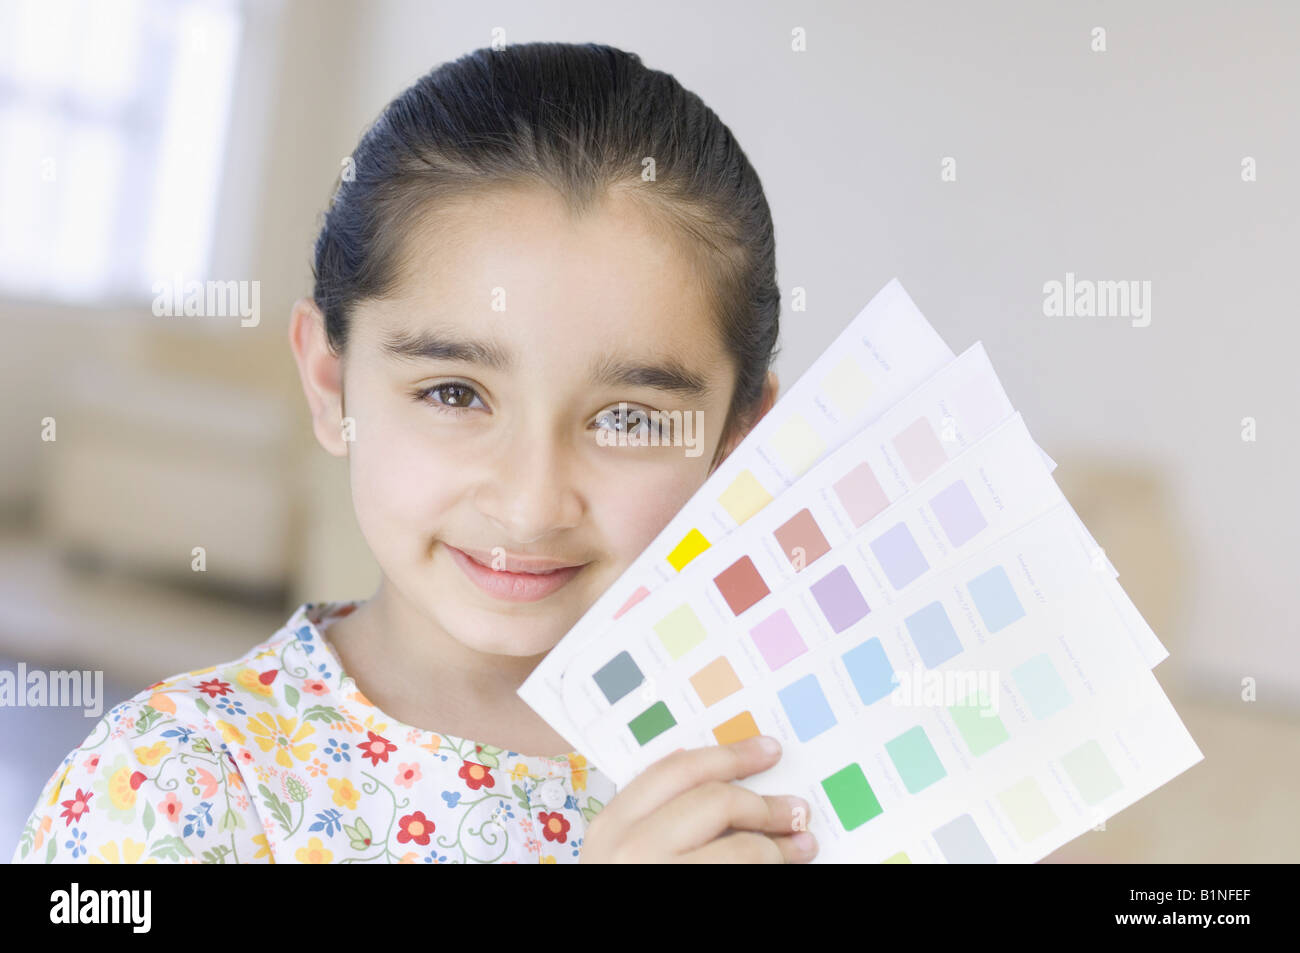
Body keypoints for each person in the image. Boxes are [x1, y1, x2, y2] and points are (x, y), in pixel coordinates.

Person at [12, 41, 816, 864]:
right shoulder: (166, 788)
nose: (530, 503)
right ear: (333, 384)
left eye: (629, 419)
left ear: (735, 441)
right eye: (455, 394)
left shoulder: (804, 765)